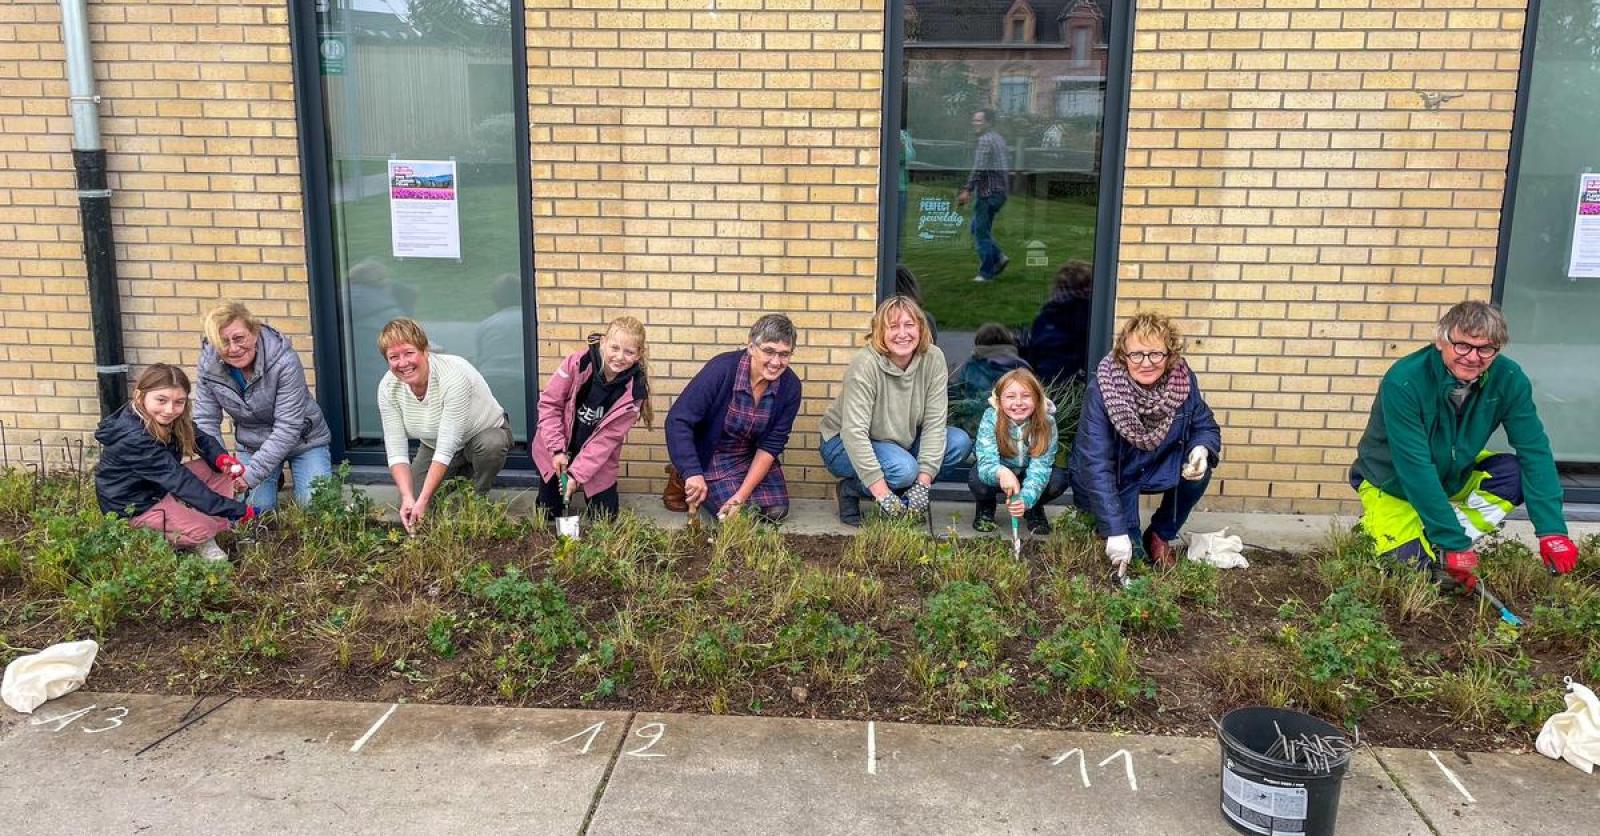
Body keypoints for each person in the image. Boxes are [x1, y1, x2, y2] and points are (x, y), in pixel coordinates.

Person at [1350, 300, 1579, 590]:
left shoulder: (1509, 378)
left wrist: (1552, 531)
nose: (1473, 357)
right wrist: (1452, 541)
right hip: (1393, 481)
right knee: (1411, 576)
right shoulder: (1405, 380)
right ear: (1440, 340)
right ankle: (1425, 539)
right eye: (1463, 346)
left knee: (1515, 472)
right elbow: (1415, 467)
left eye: (1486, 349)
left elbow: (1535, 451)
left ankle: (1437, 539)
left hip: (1453, 473)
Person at [1070, 312, 1221, 571]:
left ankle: (1160, 534)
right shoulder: (1102, 389)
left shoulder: (1183, 381)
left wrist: (1201, 449)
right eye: (1136, 354)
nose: (1146, 362)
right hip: (1119, 473)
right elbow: (1095, 463)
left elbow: (1204, 424)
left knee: (1201, 471)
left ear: (1170, 354)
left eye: (1156, 354)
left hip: (1158, 462)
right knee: (1134, 559)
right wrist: (1115, 531)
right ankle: (1119, 532)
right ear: (1123, 355)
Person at [819, 295, 973, 526]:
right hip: (842, 444)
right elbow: (854, 433)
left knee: (958, 443)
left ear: (921, 328)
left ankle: (907, 493)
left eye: (909, 325)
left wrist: (922, 485)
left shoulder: (933, 359)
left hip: (899, 442)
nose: (903, 333)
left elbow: (934, 424)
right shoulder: (865, 364)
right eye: (893, 326)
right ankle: (851, 490)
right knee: (903, 469)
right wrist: (884, 496)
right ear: (880, 332)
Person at [95, 364, 257, 562]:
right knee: (203, 528)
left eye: (179, 402)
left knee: (221, 471)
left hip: (157, 489)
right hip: (135, 506)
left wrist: (222, 459)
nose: (170, 409)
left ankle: (208, 524)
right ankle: (177, 537)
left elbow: (202, 440)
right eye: (161, 400)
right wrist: (237, 509)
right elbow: (181, 482)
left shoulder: (170, 419)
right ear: (140, 396)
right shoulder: (134, 438)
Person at [376, 318, 513, 533]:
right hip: (433, 445)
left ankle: (477, 498)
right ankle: (458, 479)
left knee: (491, 444)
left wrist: (424, 499)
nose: (402, 363)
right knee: (415, 501)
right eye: (394, 357)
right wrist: (409, 498)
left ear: (425, 350)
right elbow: (396, 451)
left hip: (479, 436)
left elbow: (447, 446)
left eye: (409, 353)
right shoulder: (388, 388)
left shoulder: (453, 375)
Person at [191, 303, 332, 510]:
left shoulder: (284, 361)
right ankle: (271, 475)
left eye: (239, 338)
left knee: (317, 507)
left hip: (304, 440)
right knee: (257, 512)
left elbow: (288, 427)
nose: (233, 348)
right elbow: (206, 420)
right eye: (223, 342)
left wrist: (250, 475)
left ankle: (276, 473)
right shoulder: (209, 366)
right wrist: (219, 463)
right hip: (253, 443)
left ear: (254, 332)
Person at [666, 314, 803, 523]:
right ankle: (684, 475)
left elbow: (771, 445)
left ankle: (725, 491)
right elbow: (678, 420)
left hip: (748, 457)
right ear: (751, 347)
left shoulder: (790, 386)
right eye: (769, 351)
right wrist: (693, 472)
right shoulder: (721, 370)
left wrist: (741, 496)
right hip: (713, 454)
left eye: (784, 354)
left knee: (776, 511)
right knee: (736, 519)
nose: (776, 362)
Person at [532, 316, 653, 521]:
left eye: (629, 352)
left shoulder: (634, 394)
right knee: (546, 514)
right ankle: (552, 495)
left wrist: (575, 476)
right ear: (603, 342)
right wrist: (557, 450)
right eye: (614, 348)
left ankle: (589, 491)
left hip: (596, 459)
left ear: (638, 354)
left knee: (605, 518)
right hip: (557, 449)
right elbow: (549, 405)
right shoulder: (577, 364)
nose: (620, 357)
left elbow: (606, 441)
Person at [970, 368, 1069, 536]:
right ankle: (985, 507)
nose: (1018, 403)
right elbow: (987, 461)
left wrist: (1025, 499)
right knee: (977, 479)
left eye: (1026, 396)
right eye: (1010, 397)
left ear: (1037, 399)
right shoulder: (990, 418)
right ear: (999, 401)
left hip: (1028, 474)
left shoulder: (1047, 423)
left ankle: (1033, 509)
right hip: (999, 473)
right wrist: (1001, 472)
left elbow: (1040, 468)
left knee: (1057, 481)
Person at [954, 108, 1011, 283]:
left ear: (989, 122)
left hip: (988, 193)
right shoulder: (998, 139)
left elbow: (979, 168)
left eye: (979, 120)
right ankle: (999, 256)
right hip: (1000, 192)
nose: (975, 123)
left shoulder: (985, 140)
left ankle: (986, 273)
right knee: (977, 227)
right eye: (974, 120)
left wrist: (967, 190)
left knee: (981, 234)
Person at [947, 323, 1031, 436]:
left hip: (975, 425)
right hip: (1015, 426)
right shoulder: (1022, 366)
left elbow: (956, 394)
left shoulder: (972, 365)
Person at [1025, 260, 1094, 385]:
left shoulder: (1046, 316)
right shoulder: (1091, 316)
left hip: (1045, 382)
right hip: (1077, 383)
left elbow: (1033, 356)